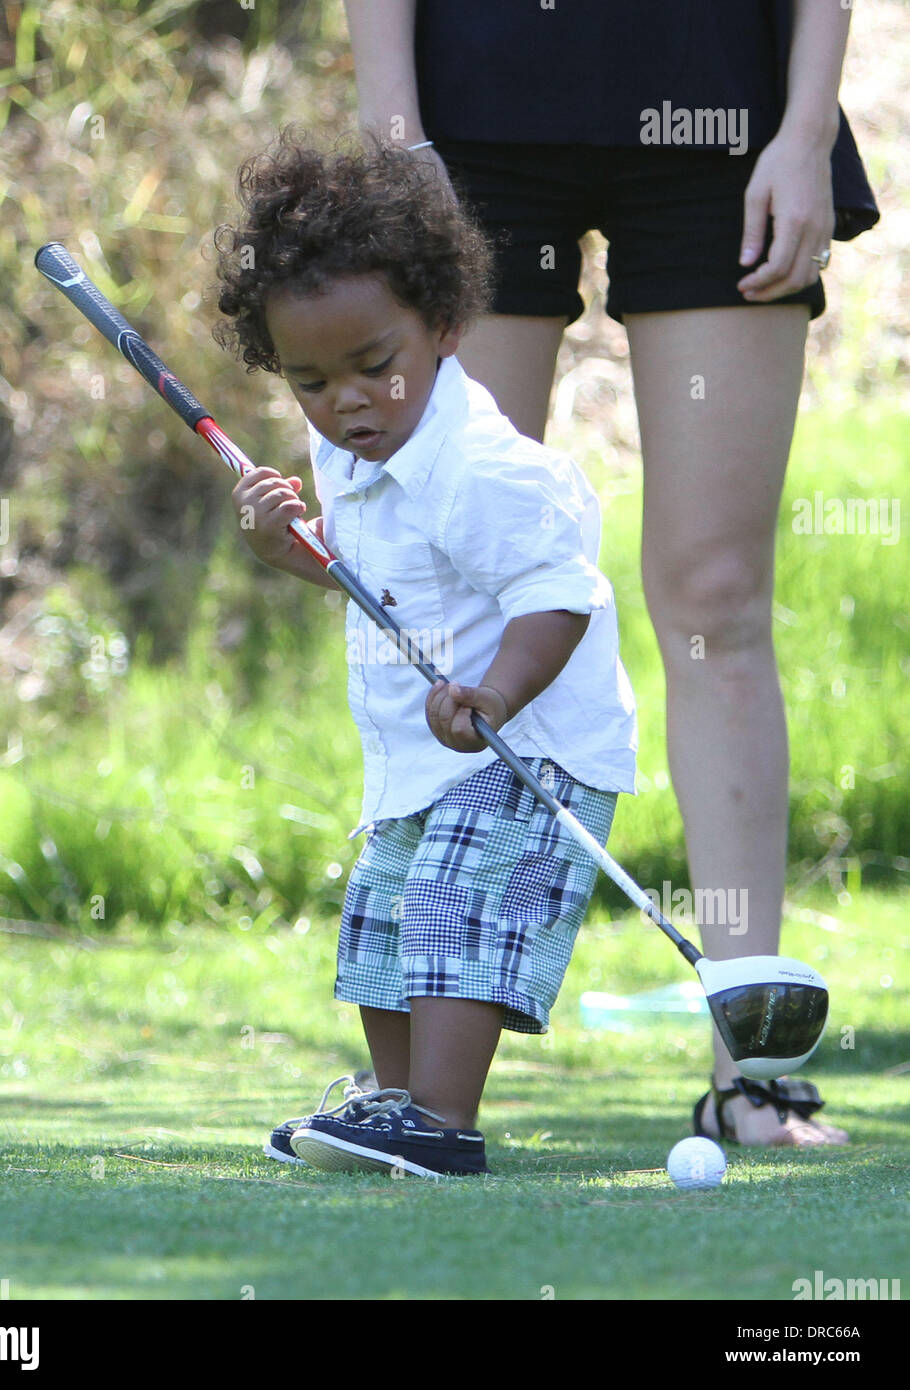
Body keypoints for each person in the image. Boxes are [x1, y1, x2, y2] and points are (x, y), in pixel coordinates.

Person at [342, 0, 879, 1148]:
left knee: (715, 595)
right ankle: (425, 1088)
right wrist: (393, 127)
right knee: (452, 599)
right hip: (472, 117)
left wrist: (800, 127)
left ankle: (754, 1070)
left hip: (725, 100)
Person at [213, 137, 637, 1176]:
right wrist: (288, 553)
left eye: (372, 366)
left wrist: (493, 690)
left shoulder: (485, 473)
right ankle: (394, 1104)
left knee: (452, 908)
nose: (347, 401)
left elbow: (559, 596)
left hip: (524, 744)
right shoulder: (347, 449)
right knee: (382, 917)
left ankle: (442, 1118)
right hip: (426, 750)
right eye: (309, 381)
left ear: (443, 326)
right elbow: (378, 581)